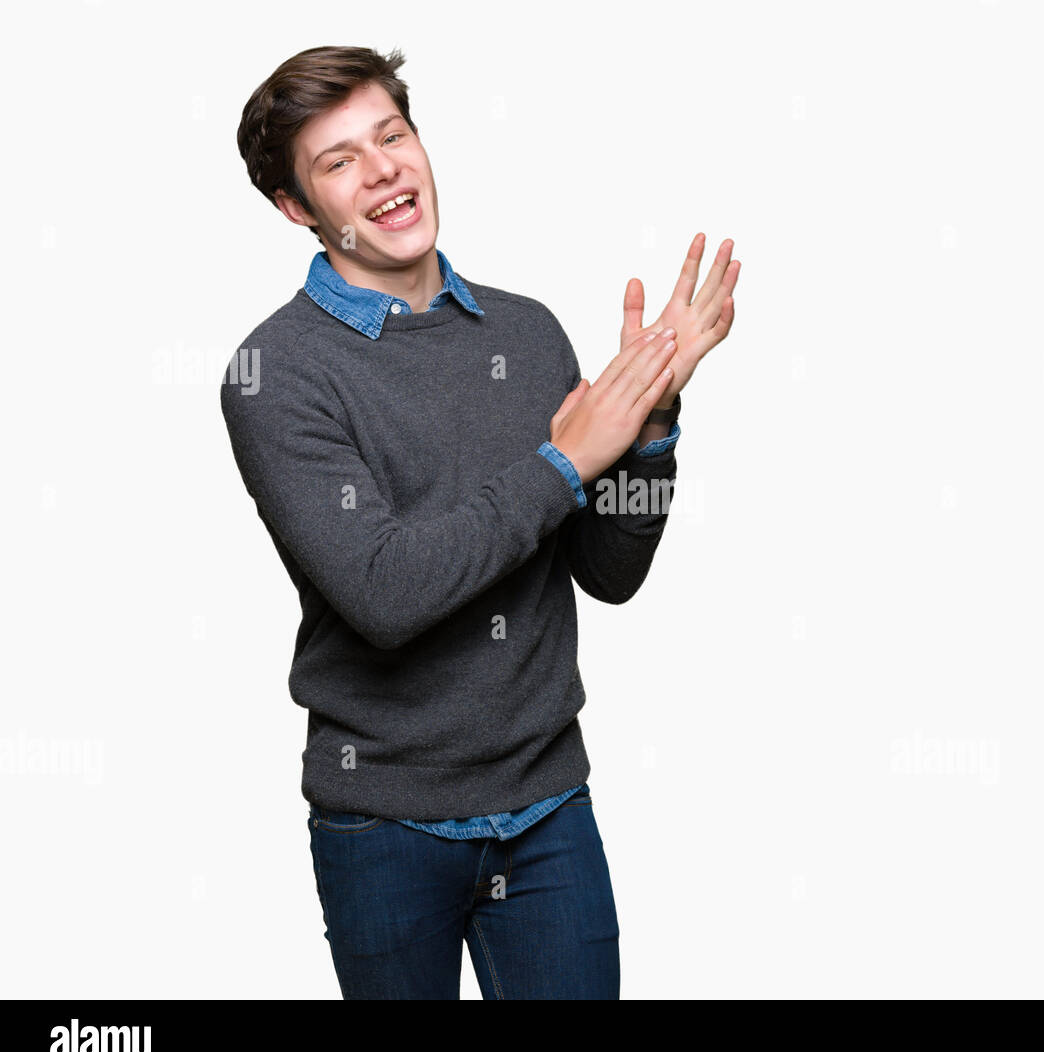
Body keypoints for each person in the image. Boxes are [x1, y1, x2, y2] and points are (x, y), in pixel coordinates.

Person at [223, 46, 739, 999]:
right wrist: (568, 458)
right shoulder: (277, 372)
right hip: (382, 823)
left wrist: (651, 425)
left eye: (392, 134)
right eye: (339, 161)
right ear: (297, 208)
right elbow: (385, 591)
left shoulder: (526, 332)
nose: (382, 168)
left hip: (548, 807)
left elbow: (607, 571)